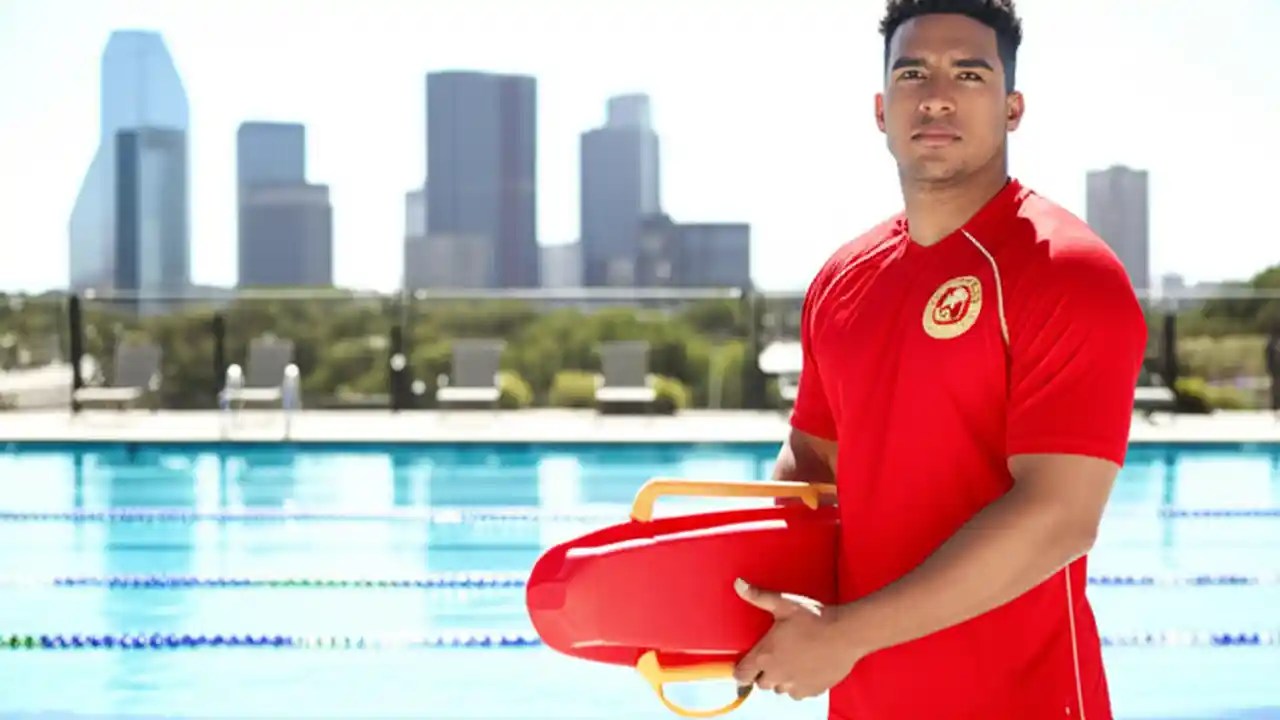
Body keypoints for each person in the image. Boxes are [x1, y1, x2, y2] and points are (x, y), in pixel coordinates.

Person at [729, 1, 1148, 719]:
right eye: (913, 72)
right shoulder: (842, 278)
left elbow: (1060, 516)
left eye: (970, 74)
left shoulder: (1066, 272)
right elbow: (810, 467)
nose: (937, 96)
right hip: (867, 701)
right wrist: (733, 606)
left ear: (1013, 108)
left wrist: (844, 635)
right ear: (880, 107)